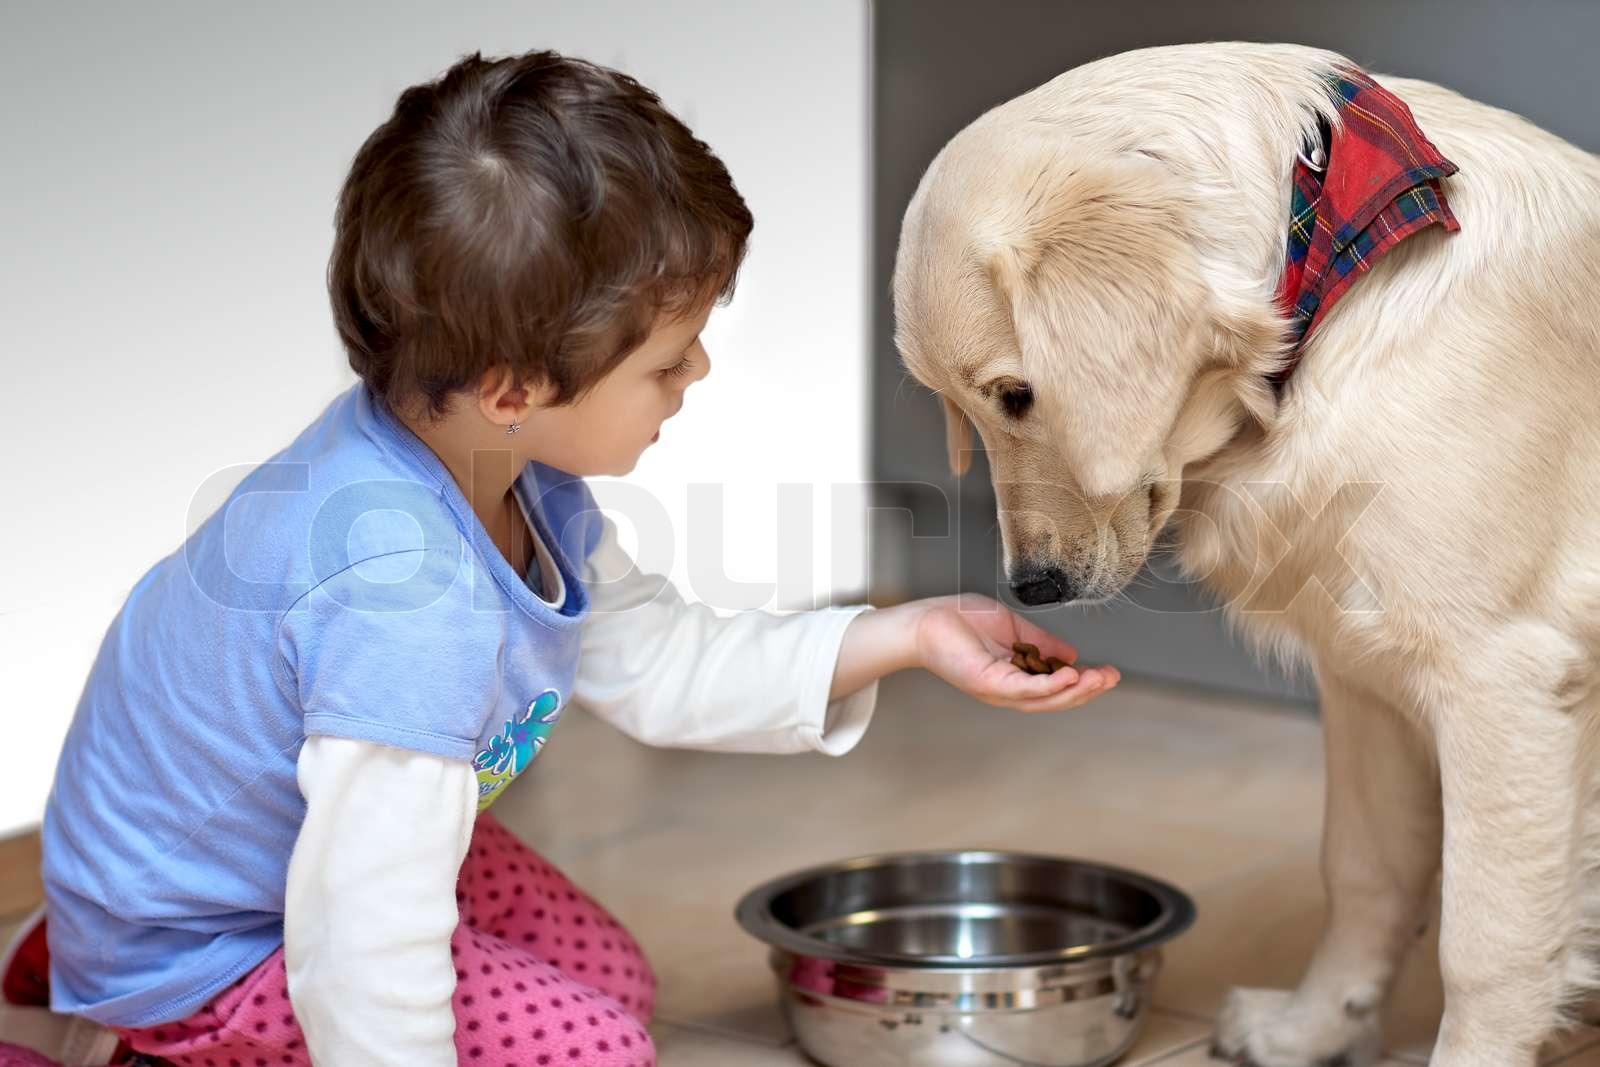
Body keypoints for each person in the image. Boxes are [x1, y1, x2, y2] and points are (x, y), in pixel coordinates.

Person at [34, 48, 1118, 1067]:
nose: (697, 370)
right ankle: (134, 1031)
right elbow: (362, 927)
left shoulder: (499, 465)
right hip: (205, 941)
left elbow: (658, 661)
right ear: (512, 386)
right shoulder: (401, 598)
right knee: (599, 1049)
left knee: (613, 981)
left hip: (296, 853)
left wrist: (909, 633)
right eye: (665, 360)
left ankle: (89, 958)